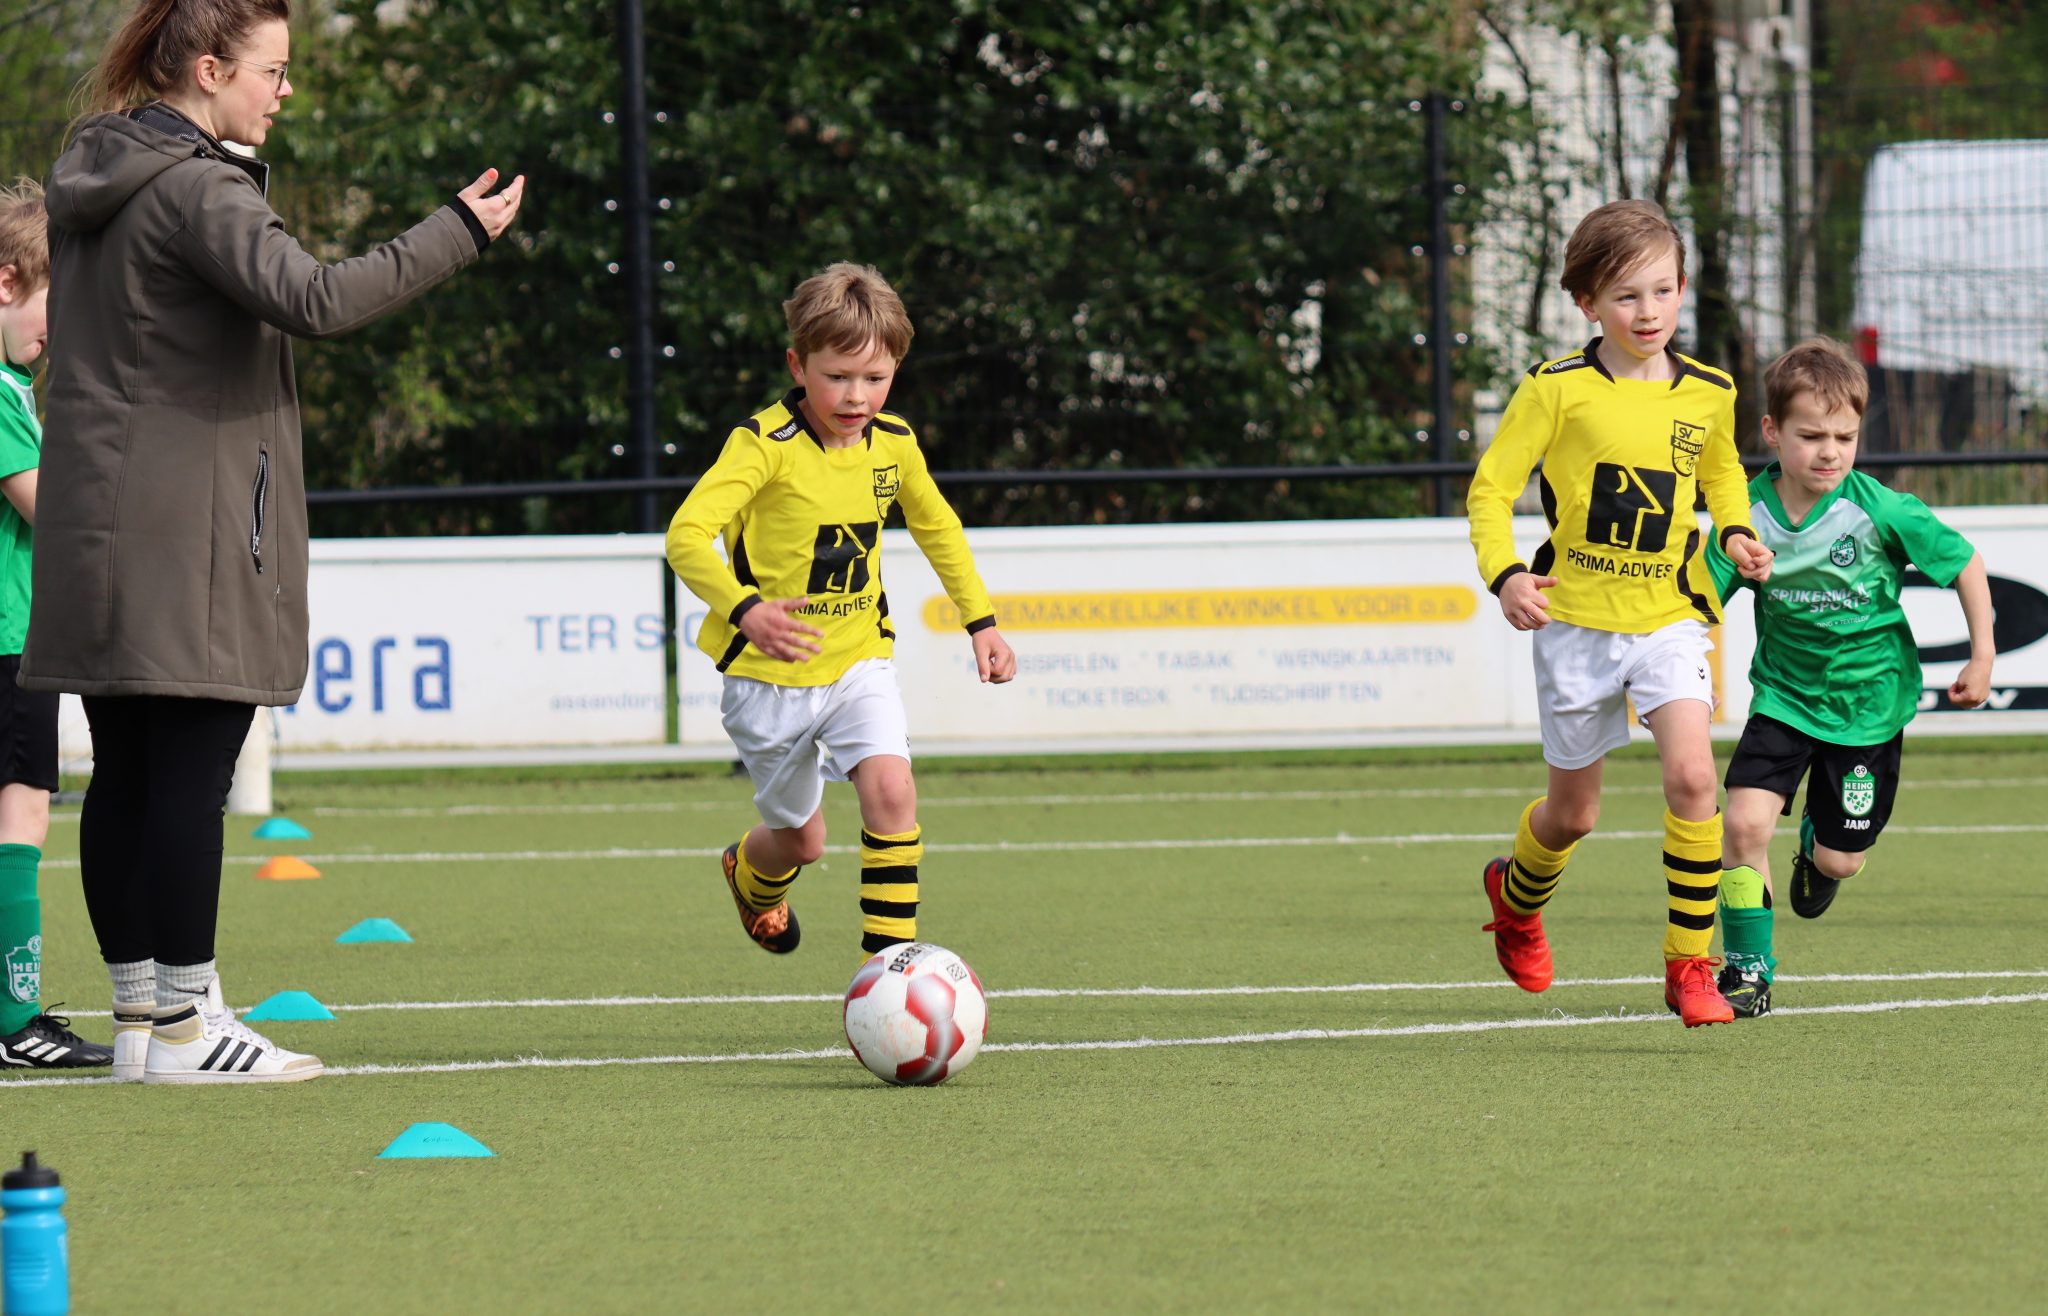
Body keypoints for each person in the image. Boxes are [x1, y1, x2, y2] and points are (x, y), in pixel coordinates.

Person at [23, 0, 523, 1084]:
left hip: (98, 512)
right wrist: (457, 230)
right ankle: (189, 1024)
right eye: (273, 70)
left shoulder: (101, 170)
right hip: (185, 526)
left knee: (126, 772)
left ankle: (144, 1024)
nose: (285, 90)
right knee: (190, 771)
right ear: (209, 70)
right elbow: (317, 298)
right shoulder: (197, 186)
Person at [1467, 198, 1774, 1027]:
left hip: (1669, 615)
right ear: (1587, 303)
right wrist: (1506, 576)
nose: (1648, 311)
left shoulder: (1709, 391)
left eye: (1663, 291)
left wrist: (1736, 531)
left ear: (1683, 291)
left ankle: (1690, 967)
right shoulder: (1555, 390)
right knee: (1574, 816)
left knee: (1694, 777)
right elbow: (1491, 491)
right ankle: (1516, 900)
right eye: (1627, 295)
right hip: (1574, 623)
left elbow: (1722, 473)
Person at [667, 262, 1016, 960]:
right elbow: (685, 536)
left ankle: (887, 971)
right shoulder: (763, 446)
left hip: (860, 661)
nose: (857, 396)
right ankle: (750, 875)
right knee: (803, 842)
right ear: (798, 366)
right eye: (837, 377)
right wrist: (746, 610)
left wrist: (981, 621)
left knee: (892, 789)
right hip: (769, 678)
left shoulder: (895, 444)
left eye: (875, 377)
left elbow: (938, 527)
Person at [1704, 338, 1992, 1017]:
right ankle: (1748, 970)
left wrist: (1982, 656)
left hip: (1869, 706)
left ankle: (1817, 845)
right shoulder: (1744, 518)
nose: (1829, 452)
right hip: (1783, 698)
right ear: (1772, 432)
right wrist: (1685, 668)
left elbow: (1964, 563)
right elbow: (1698, 601)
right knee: (1743, 825)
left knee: (1841, 861)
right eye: (1811, 436)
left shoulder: (1881, 509)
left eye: (1845, 437)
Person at [0, 180, 114, 1071]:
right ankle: (16, 1018)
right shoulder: (2, 393)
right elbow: (52, 509)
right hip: (9, 641)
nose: (60, 330)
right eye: (54, 303)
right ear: (7, 282)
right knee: (23, 809)